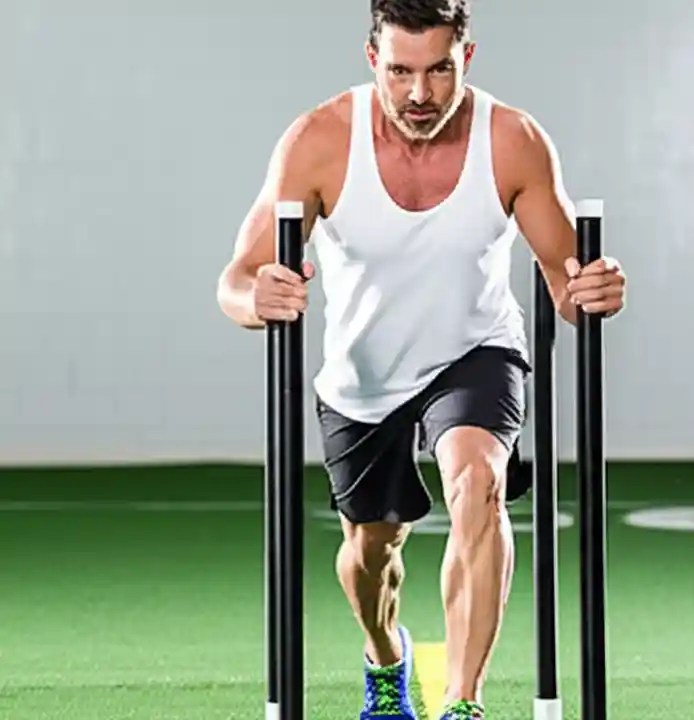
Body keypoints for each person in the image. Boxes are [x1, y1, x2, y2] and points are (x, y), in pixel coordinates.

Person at [215, 1, 626, 718]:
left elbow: (566, 280)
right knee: (371, 555)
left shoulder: (512, 141)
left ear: (466, 57)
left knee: (480, 485)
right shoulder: (320, 141)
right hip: (363, 374)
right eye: (401, 71)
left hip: (475, 351)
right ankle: (385, 656)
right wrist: (261, 297)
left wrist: (591, 286)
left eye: (439, 70)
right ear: (372, 58)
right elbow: (236, 281)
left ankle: (462, 703)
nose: (419, 94)